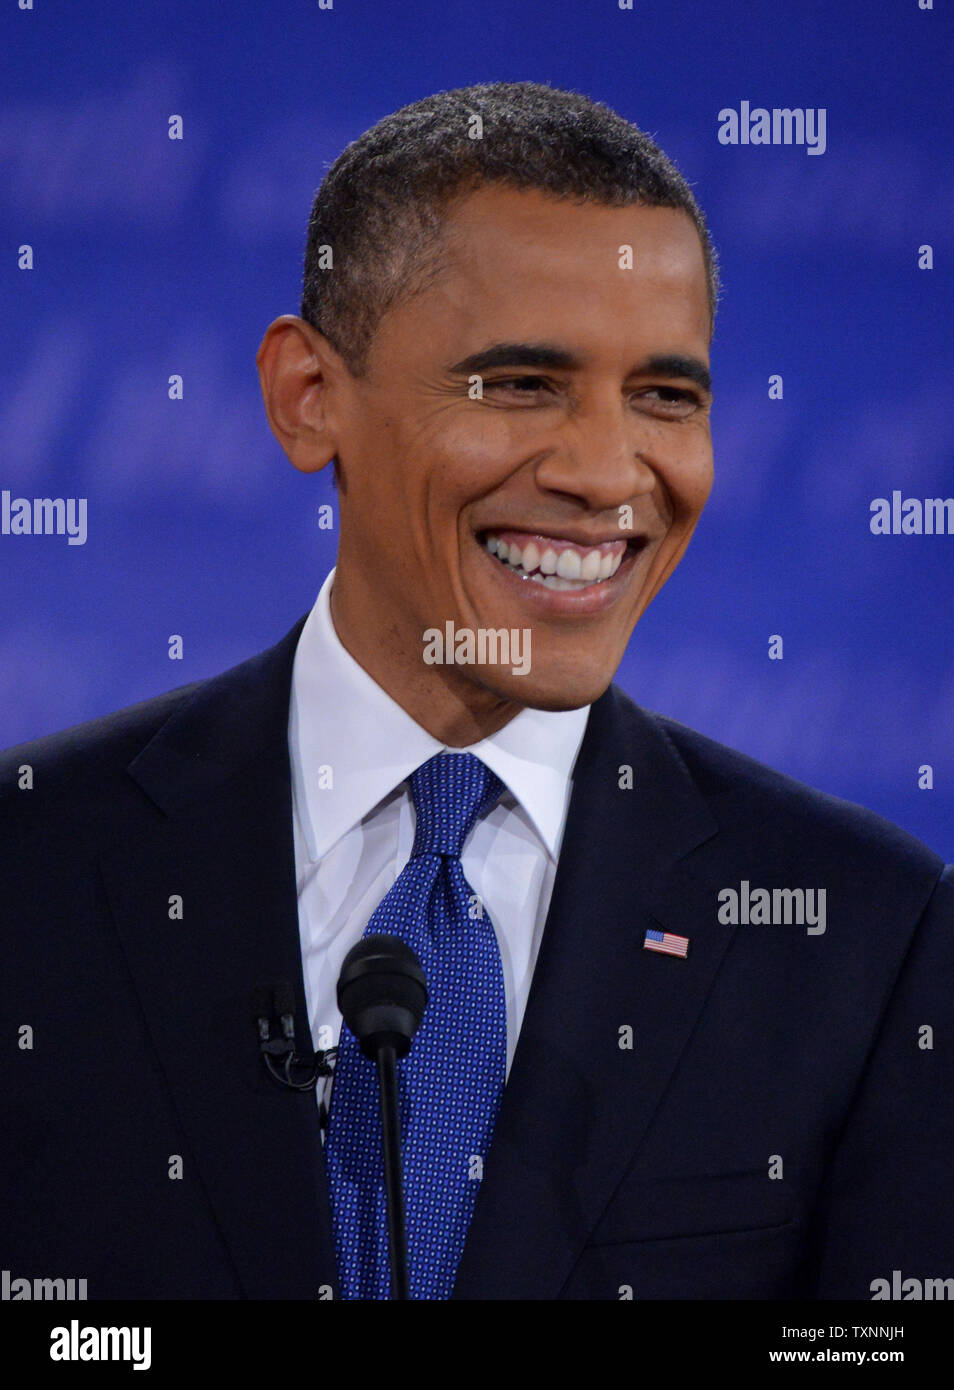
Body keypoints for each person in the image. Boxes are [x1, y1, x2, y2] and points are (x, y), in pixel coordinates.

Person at [2, 82, 951, 1302]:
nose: (609, 473)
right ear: (308, 397)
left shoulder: (863, 933)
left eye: (665, 396)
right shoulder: (33, 865)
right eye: (520, 385)